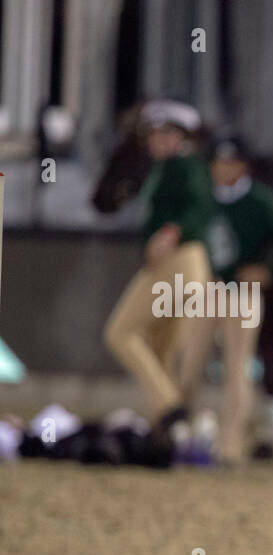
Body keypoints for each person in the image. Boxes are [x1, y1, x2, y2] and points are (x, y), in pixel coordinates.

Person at [101, 99, 213, 453]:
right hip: (187, 264)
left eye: (163, 132)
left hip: (178, 262)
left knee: (121, 333)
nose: (155, 139)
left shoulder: (185, 166)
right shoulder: (166, 168)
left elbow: (199, 206)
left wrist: (171, 232)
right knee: (162, 346)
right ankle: (167, 436)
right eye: (154, 132)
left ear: (178, 136)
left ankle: (170, 408)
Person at [202, 133, 273, 463]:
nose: (223, 169)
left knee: (236, 368)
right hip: (207, 291)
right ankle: (178, 432)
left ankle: (230, 445)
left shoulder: (262, 202)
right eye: (219, 162)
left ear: (244, 167)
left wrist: (267, 269)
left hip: (242, 293)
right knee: (188, 361)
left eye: (231, 163)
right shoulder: (204, 199)